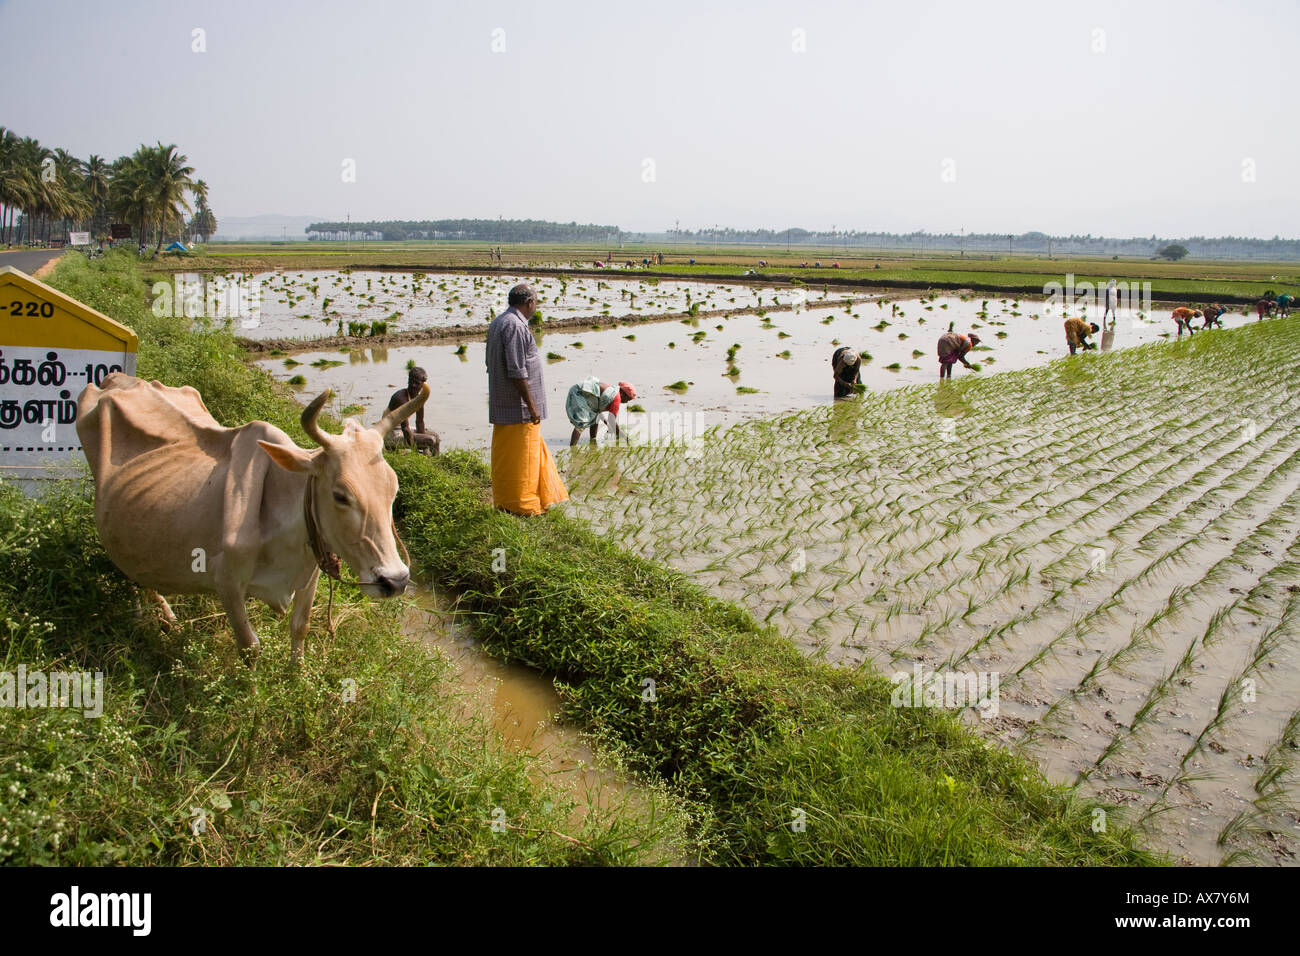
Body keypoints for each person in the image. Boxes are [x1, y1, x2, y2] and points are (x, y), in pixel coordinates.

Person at [485, 284, 568, 516]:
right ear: (529, 302)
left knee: (508, 456)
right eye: (536, 302)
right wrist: (532, 406)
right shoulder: (515, 326)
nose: (536, 306)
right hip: (518, 408)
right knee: (523, 459)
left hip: (505, 404)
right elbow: (517, 370)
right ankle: (522, 504)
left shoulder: (499, 322)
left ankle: (507, 500)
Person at [385, 366, 439, 453]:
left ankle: (435, 463)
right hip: (390, 433)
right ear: (408, 380)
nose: (413, 385)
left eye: (417, 383)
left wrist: (423, 443)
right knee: (430, 440)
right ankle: (426, 458)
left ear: (423, 384)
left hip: (401, 430)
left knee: (435, 436)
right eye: (411, 382)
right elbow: (405, 429)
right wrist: (416, 449)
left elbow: (420, 422)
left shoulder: (419, 398)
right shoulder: (400, 398)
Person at [567, 378, 635, 445]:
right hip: (579, 392)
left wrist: (608, 424)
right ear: (623, 393)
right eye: (627, 399)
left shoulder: (613, 391)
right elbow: (612, 421)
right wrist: (625, 437)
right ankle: (573, 448)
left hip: (580, 390)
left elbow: (599, 414)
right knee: (581, 425)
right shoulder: (616, 398)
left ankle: (593, 440)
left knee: (595, 418)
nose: (626, 402)